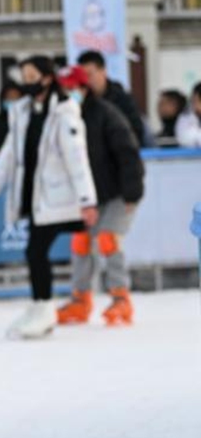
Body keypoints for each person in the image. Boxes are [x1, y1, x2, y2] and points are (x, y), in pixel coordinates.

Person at [0, 56, 99, 339]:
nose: (28, 83)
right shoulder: (22, 112)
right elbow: (9, 153)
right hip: (32, 196)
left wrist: (87, 200)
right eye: (25, 78)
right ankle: (39, 305)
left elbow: (76, 158)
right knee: (35, 252)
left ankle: (44, 309)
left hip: (55, 198)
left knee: (36, 251)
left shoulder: (65, 111)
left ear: (47, 78)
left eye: (33, 77)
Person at [53, 66, 145, 326]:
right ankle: (80, 299)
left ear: (84, 89)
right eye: (64, 89)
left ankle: (120, 298)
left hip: (118, 192)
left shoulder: (106, 114)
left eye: (73, 88)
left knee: (107, 239)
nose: (68, 93)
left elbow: (128, 153)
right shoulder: (60, 117)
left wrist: (131, 192)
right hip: (88, 197)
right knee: (81, 242)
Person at [77, 50, 147, 146]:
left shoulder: (122, 100)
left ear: (103, 71)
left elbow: (136, 132)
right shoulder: (80, 101)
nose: (87, 80)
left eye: (90, 74)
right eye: (83, 76)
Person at [0, 80, 24, 156]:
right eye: (9, 97)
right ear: (2, 99)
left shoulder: (28, 122)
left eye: (16, 97)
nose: (13, 101)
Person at [174, 83, 201, 148]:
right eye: (193, 101)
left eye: (198, 101)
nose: (195, 106)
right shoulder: (185, 117)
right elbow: (184, 139)